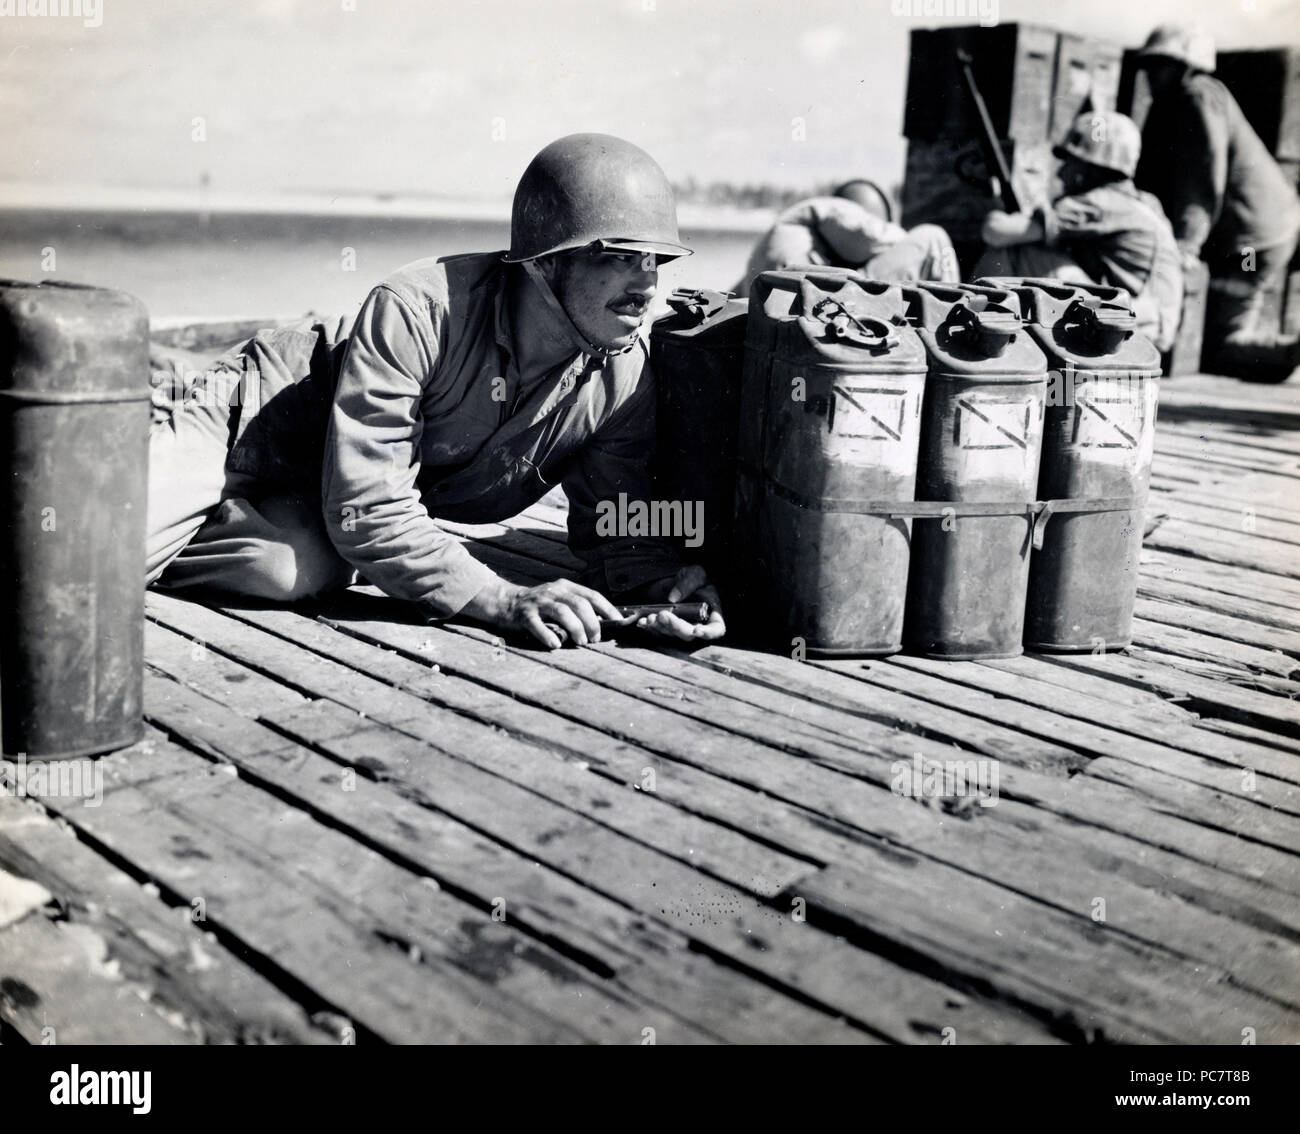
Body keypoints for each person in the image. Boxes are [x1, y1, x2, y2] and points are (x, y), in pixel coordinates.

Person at [146, 133, 725, 650]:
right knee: (91, 552)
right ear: (545, 265)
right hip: (248, 420)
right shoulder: (420, 312)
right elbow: (371, 508)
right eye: (621, 256)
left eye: (657, 260)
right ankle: (134, 436)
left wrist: (661, 588)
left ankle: (218, 524)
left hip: (338, 492)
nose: (647, 283)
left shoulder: (623, 378)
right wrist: (501, 600)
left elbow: (614, 523)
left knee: (286, 572)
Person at [1135, 22, 1300, 381]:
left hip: (1251, 245)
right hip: (1260, 233)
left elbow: (1203, 180)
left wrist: (1185, 246)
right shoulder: (1182, 100)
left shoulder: (1198, 95)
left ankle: (1283, 353)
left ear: (1186, 65)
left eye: (1160, 65)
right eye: (1149, 66)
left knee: (1214, 346)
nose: (1150, 74)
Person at [973, 110, 1184, 352]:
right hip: (1151, 322)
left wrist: (997, 208)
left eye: (1072, 161)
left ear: (1090, 167)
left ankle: (975, 336)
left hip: (1132, 326)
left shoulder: (1097, 204)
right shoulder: (1145, 203)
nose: (1063, 172)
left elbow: (997, 232)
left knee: (1016, 253)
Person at [732, 179, 959, 296]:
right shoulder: (832, 209)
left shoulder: (782, 233)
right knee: (933, 237)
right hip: (818, 302)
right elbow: (869, 238)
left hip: (787, 317)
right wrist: (901, 237)